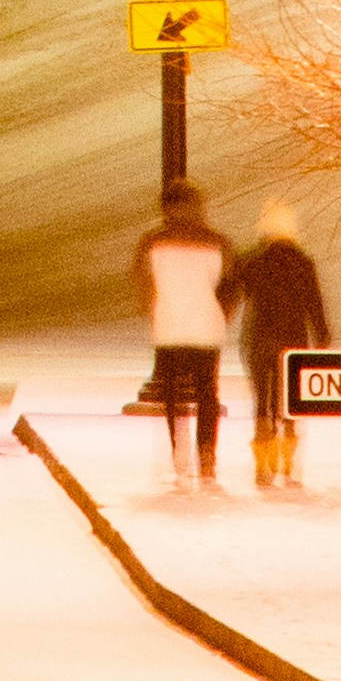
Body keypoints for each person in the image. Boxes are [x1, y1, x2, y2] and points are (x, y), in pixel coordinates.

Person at [137, 184, 229, 491]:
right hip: (206, 327)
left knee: (173, 395)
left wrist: (154, 308)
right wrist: (222, 312)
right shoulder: (217, 242)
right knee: (207, 394)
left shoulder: (152, 243)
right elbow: (230, 284)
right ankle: (206, 455)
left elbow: (142, 283)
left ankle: (178, 449)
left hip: (170, 327)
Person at [234, 199, 330, 492]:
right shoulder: (302, 261)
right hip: (293, 339)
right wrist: (322, 334)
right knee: (290, 404)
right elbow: (313, 303)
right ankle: (288, 463)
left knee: (262, 403)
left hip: (259, 336)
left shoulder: (251, 259)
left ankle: (263, 465)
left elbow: (233, 291)